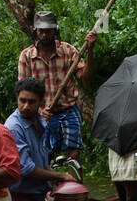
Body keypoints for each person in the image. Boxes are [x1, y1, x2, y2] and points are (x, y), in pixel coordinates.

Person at [17, 10, 95, 161]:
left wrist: (90, 51)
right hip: (42, 113)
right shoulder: (26, 56)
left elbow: (85, 79)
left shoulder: (68, 51)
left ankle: (74, 183)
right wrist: (39, 110)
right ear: (36, 32)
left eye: (48, 31)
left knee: (74, 154)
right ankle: (49, 184)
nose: (45, 35)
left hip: (68, 109)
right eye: (41, 31)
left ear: (55, 30)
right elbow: (22, 91)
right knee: (45, 155)